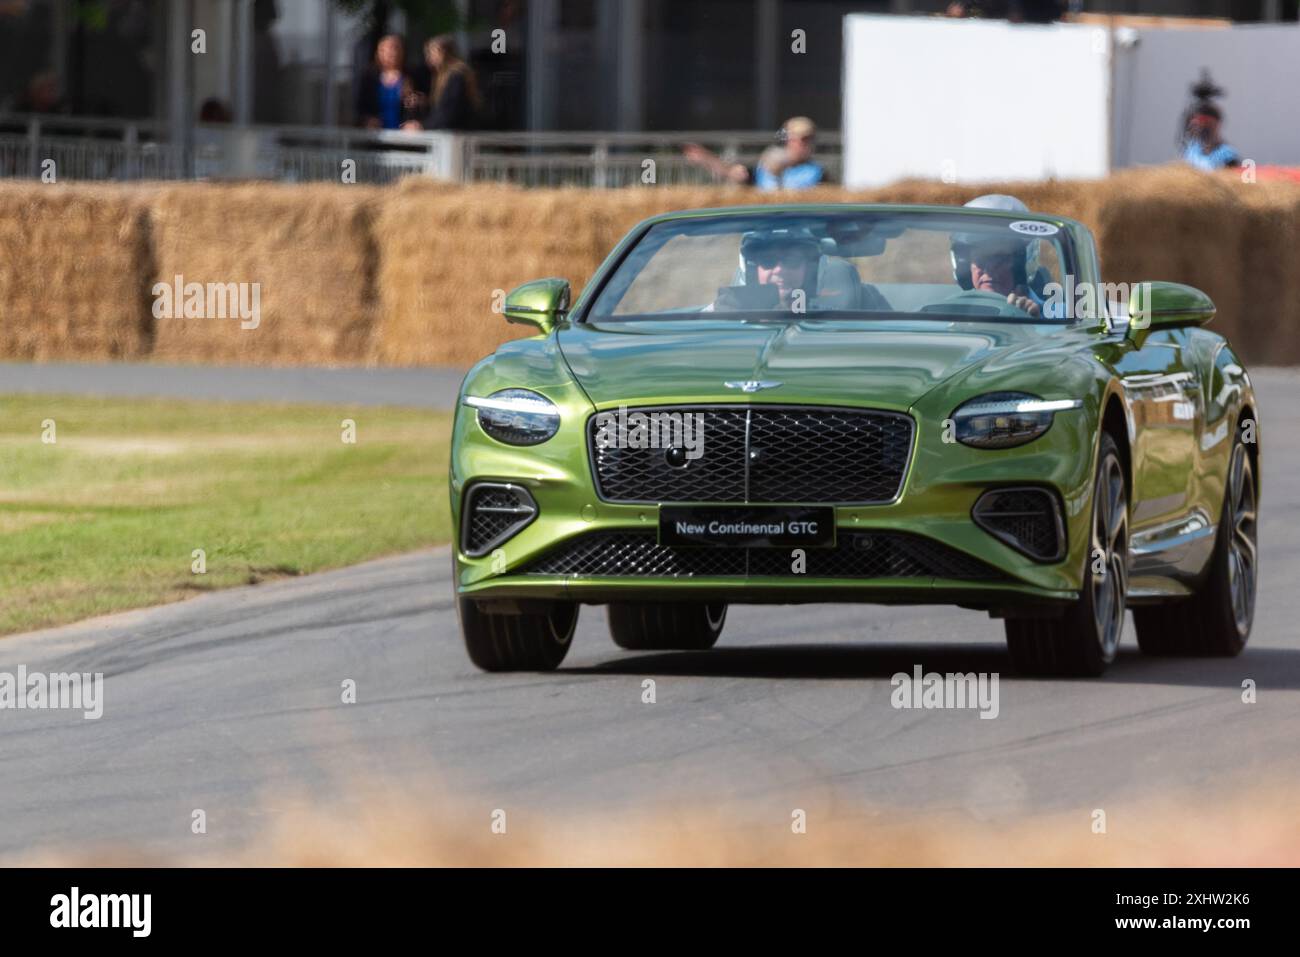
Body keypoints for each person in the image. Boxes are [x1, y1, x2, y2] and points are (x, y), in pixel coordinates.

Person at [950, 194, 1045, 316]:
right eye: (981, 259)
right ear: (965, 264)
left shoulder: (1058, 316)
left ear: (1020, 264)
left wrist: (1034, 324)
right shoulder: (947, 313)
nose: (990, 270)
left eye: (1001, 259)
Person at [681, 116, 824, 191]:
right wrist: (708, 159)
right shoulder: (763, 168)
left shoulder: (818, 173)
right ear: (788, 141)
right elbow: (736, 174)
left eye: (808, 140)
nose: (803, 145)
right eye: (799, 139)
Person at [402, 35, 482, 131]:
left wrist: (422, 126)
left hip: (459, 134)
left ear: (443, 52)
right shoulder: (442, 75)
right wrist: (424, 102)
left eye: (431, 53)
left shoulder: (456, 75)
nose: (428, 58)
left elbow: (450, 111)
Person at [355, 34, 413, 130]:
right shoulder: (369, 77)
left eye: (395, 48)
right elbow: (360, 107)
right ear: (378, 53)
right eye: (385, 49)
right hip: (376, 135)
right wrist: (367, 120)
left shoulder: (411, 76)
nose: (391, 53)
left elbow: (422, 106)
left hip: (404, 136)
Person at [1181, 102, 1241, 171]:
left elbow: (1231, 178)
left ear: (1217, 124)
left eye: (1207, 123)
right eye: (1198, 123)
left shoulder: (1228, 155)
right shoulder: (1191, 152)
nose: (1201, 127)